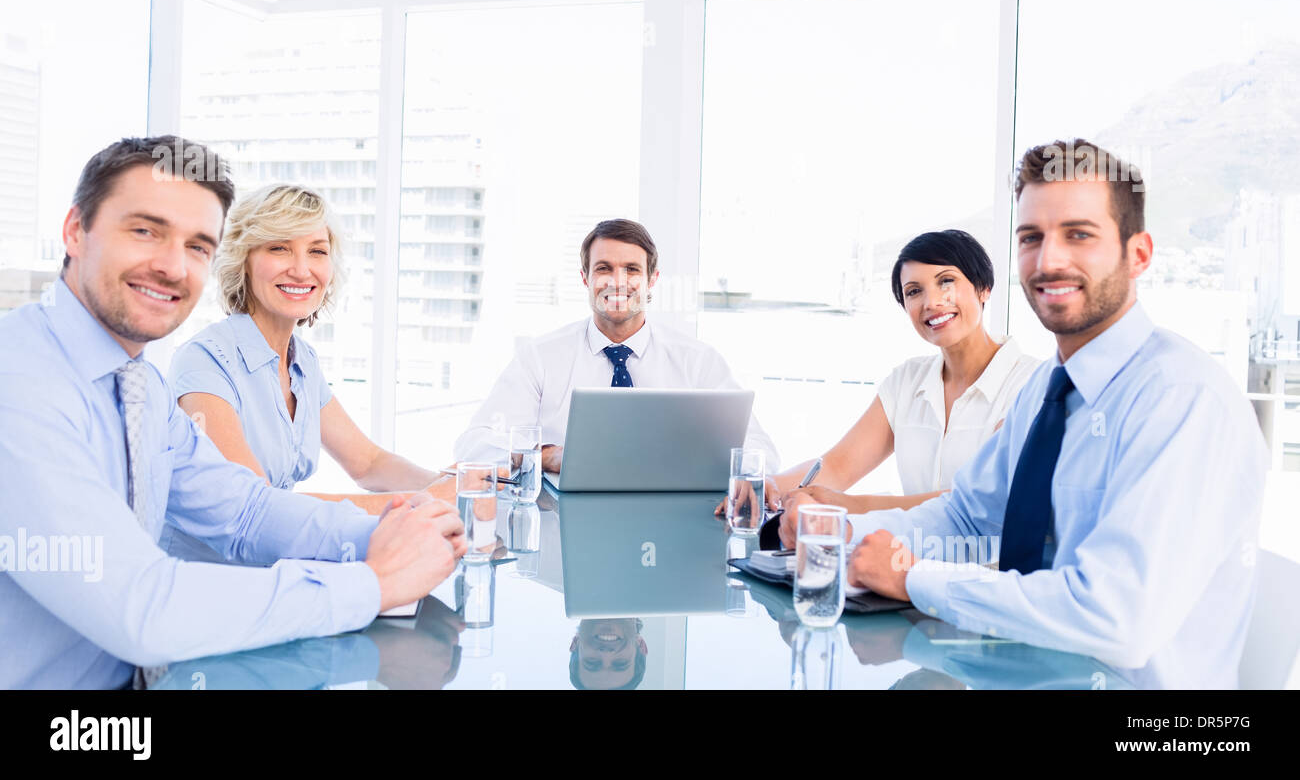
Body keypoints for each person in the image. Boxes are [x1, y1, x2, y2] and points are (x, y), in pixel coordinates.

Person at [783, 139, 1268, 689]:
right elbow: (968, 516)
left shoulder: (1181, 398)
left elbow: (1113, 617)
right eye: (1031, 238)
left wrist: (913, 577)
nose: (1049, 259)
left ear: (1139, 255)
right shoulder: (1048, 388)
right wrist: (840, 535)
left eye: (1079, 235)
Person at [0, 136, 465, 689]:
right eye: (145, 230)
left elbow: (245, 510)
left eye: (197, 245)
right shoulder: (21, 382)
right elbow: (140, 608)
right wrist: (373, 581)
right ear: (76, 230)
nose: (172, 265)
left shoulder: (140, 385)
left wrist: (395, 530)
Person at [163, 184, 459, 562]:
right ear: (244, 261)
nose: (301, 269)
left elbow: (367, 462)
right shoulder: (205, 361)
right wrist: (423, 502)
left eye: (316, 251)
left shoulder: (302, 361)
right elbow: (260, 508)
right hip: (209, 587)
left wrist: (450, 485)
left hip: (274, 572)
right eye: (279, 247)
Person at [736, 229, 1039, 525]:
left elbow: (983, 501)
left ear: (984, 287)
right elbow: (839, 466)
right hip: (906, 561)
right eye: (914, 291)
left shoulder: (1031, 384)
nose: (931, 302)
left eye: (946, 281)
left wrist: (855, 506)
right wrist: (768, 486)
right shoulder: (907, 380)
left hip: (991, 570)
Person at [454, 218, 779, 473]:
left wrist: (694, 460)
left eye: (632, 270)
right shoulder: (540, 358)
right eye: (604, 268)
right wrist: (545, 456)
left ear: (652, 280)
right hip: (562, 524)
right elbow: (474, 445)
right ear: (586, 278)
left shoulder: (697, 362)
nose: (617, 281)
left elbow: (761, 453)